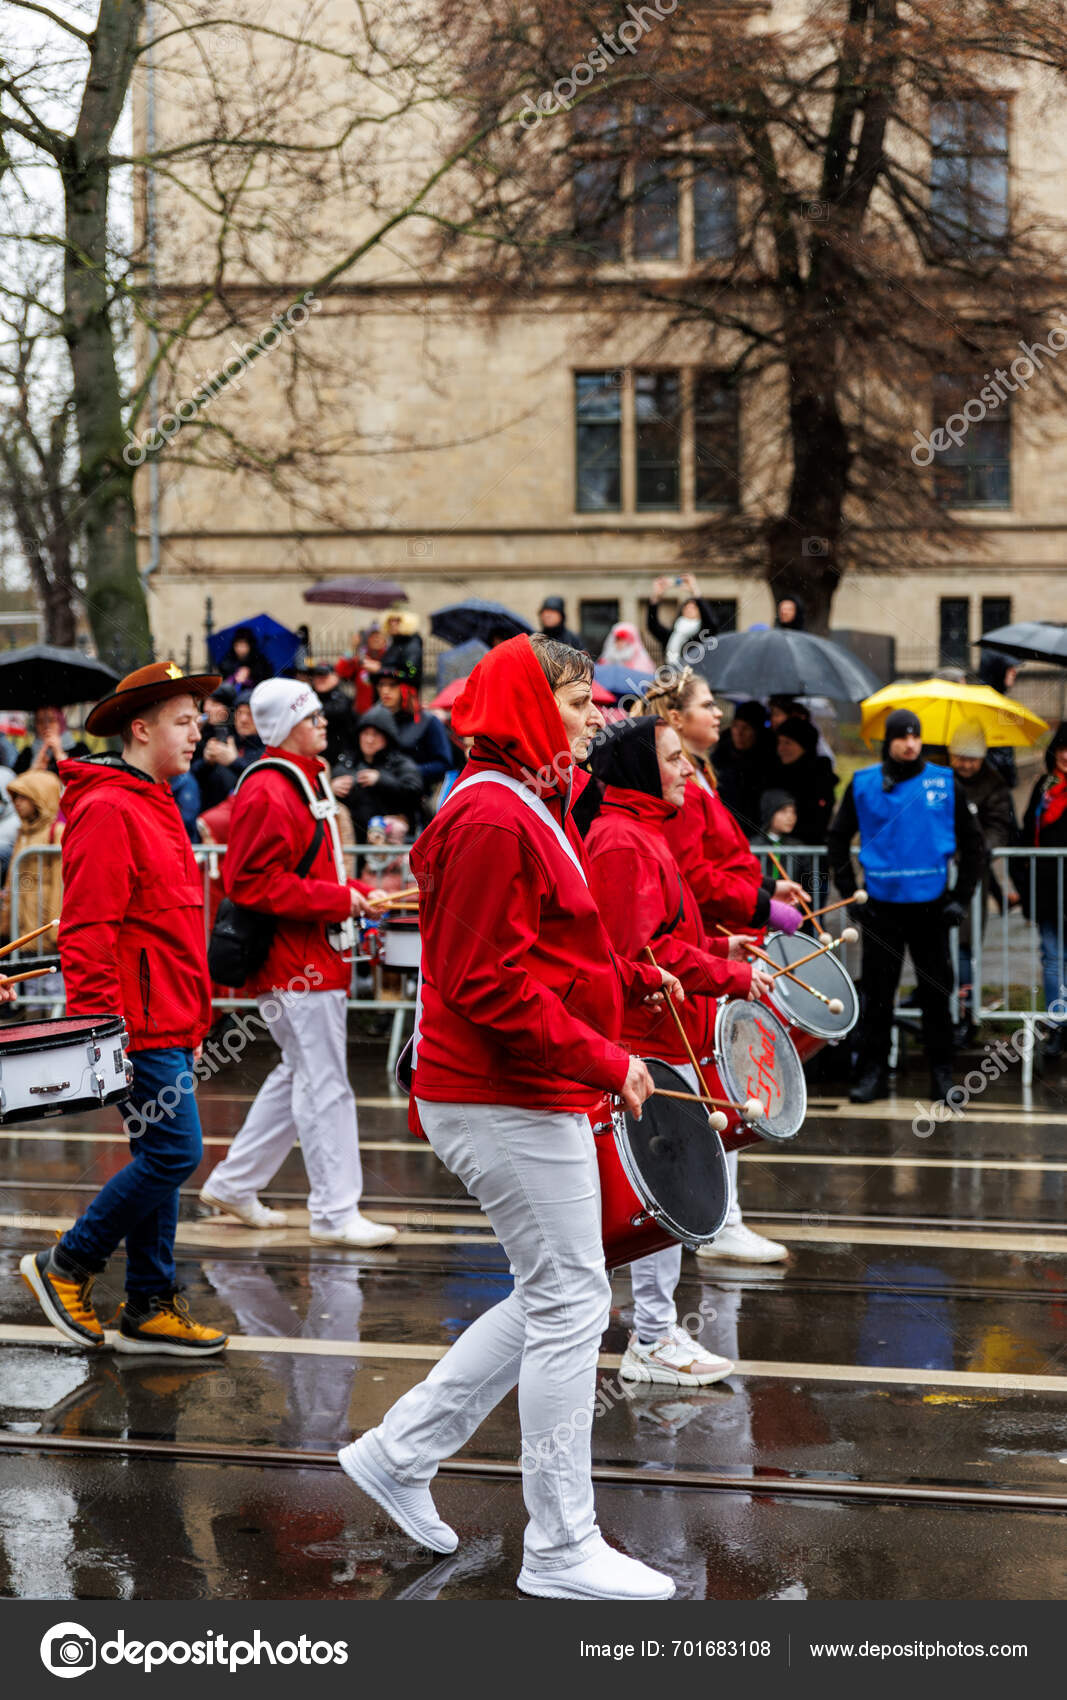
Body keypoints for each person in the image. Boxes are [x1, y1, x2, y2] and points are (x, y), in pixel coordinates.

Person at [338, 632, 683, 1601]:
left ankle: (401, 1450)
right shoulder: (494, 814)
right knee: (573, 1299)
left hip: (514, 1088)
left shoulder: (514, 799)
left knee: (553, 1295)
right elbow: (483, 980)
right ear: (529, 707)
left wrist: (616, 989)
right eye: (576, 703)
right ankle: (559, 1544)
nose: (594, 720)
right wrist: (602, 1056)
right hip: (502, 1092)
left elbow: (536, 953)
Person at [19, 661, 229, 1355]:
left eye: (198, 718)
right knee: (175, 1153)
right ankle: (68, 1263)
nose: (198, 731)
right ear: (141, 730)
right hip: (133, 1026)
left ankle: (148, 1301)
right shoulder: (111, 805)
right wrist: (99, 1033)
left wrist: (195, 1021)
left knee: (159, 1155)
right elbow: (87, 929)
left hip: (166, 1015)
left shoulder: (154, 796)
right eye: (183, 720)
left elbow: (167, 929)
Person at [583, 714, 773, 1384]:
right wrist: (730, 973)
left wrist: (720, 947)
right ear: (639, 769)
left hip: (662, 1034)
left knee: (664, 1193)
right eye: (671, 759)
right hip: (642, 1041)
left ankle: (648, 1334)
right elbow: (635, 957)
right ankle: (652, 1338)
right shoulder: (623, 841)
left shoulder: (639, 832)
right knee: (661, 1193)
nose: (687, 769)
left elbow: (661, 934)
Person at [199, 679, 397, 1246]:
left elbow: (304, 870)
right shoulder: (272, 787)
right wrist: (341, 898)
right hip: (297, 965)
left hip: (307, 958)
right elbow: (251, 882)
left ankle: (235, 1184)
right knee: (325, 1083)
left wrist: (354, 889)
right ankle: (335, 1211)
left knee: (300, 1076)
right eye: (311, 717)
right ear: (287, 727)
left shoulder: (292, 779)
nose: (323, 723)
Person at [638, 669, 806, 1264]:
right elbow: (692, 877)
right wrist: (763, 906)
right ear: (675, 718)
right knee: (711, 1088)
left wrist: (764, 887)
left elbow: (720, 860)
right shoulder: (675, 782)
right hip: (701, 945)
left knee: (720, 1083)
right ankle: (717, 1219)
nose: (719, 713)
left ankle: (722, 1215)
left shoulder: (700, 774)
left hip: (713, 942)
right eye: (707, 704)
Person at [827, 708, 985, 1104]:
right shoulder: (863, 783)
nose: (910, 743)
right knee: (878, 996)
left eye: (916, 736)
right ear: (889, 740)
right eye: (902, 737)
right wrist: (850, 893)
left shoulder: (945, 783)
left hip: (932, 907)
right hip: (881, 908)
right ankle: (873, 1075)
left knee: (937, 995)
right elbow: (837, 837)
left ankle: (942, 1075)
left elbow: (974, 844)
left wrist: (960, 897)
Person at [947, 721, 1017, 1043]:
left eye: (972, 758)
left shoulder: (993, 785)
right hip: (938, 871)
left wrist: (976, 851)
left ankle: (964, 1011)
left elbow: (1000, 827)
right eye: (960, 757)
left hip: (973, 875)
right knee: (935, 945)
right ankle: (937, 1005)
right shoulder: (938, 778)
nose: (965, 764)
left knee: (964, 944)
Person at [1019, 721, 1067, 1061]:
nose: (1066, 756)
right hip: (1049, 889)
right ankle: (1057, 1022)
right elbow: (1026, 834)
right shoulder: (1044, 787)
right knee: (1052, 958)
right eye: (1062, 749)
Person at [334, 704, 423, 839]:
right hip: (352, 842)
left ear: (387, 737)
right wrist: (331, 787)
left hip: (391, 845)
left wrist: (381, 780)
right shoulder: (347, 762)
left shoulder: (400, 763)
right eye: (365, 733)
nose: (369, 740)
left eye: (376, 734)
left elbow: (414, 789)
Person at [0, 770, 64, 953]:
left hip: (45, 930)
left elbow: (59, 886)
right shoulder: (23, 833)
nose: (17, 802)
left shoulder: (57, 832)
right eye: (15, 797)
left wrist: (56, 931)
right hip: (21, 930)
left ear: (40, 798)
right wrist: (5, 923)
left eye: (24, 797)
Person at [375, 667, 452, 803]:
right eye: (381, 685)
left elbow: (444, 763)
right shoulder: (374, 720)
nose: (385, 690)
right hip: (380, 791)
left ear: (405, 688)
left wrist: (408, 772)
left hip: (416, 795)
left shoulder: (428, 721)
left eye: (392, 685)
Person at [767, 714, 838, 846]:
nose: (781, 748)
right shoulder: (772, 774)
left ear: (805, 745)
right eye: (779, 742)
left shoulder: (821, 779)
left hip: (808, 851)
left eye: (787, 743)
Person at [712, 700, 776, 834]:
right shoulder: (718, 758)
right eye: (736, 726)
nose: (739, 733)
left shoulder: (769, 764)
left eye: (746, 728)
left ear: (757, 731)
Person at [646, 575, 718, 667]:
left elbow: (712, 624)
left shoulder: (701, 635)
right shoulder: (673, 634)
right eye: (686, 607)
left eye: (693, 608)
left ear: (700, 611)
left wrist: (694, 591)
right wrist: (655, 597)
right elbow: (652, 625)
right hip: (672, 675)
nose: (689, 610)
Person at [977, 649, 1020, 791]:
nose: (1015, 672)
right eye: (1010, 668)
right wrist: (1011, 778)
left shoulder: (995, 701)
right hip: (992, 785)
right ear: (998, 670)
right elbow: (1002, 753)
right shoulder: (994, 705)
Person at [14, 707, 87, 776]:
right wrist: (34, 767)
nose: (46, 726)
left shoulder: (78, 749)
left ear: (61, 723)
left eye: (52, 720)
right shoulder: (27, 753)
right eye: (40, 721)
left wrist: (59, 754)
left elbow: (84, 777)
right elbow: (17, 783)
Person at [310, 662, 358, 768]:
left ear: (335, 677)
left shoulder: (342, 699)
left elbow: (338, 710)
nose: (320, 679)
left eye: (324, 675)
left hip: (340, 757)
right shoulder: (309, 697)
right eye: (317, 675)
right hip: (315, 755)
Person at [380, 609, 424, 686]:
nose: (392, 624)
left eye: (397, 621)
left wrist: (381, 670)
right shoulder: (396, 642)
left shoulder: (411, 645)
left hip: (404, 693)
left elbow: (411, 674)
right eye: (390, 620)